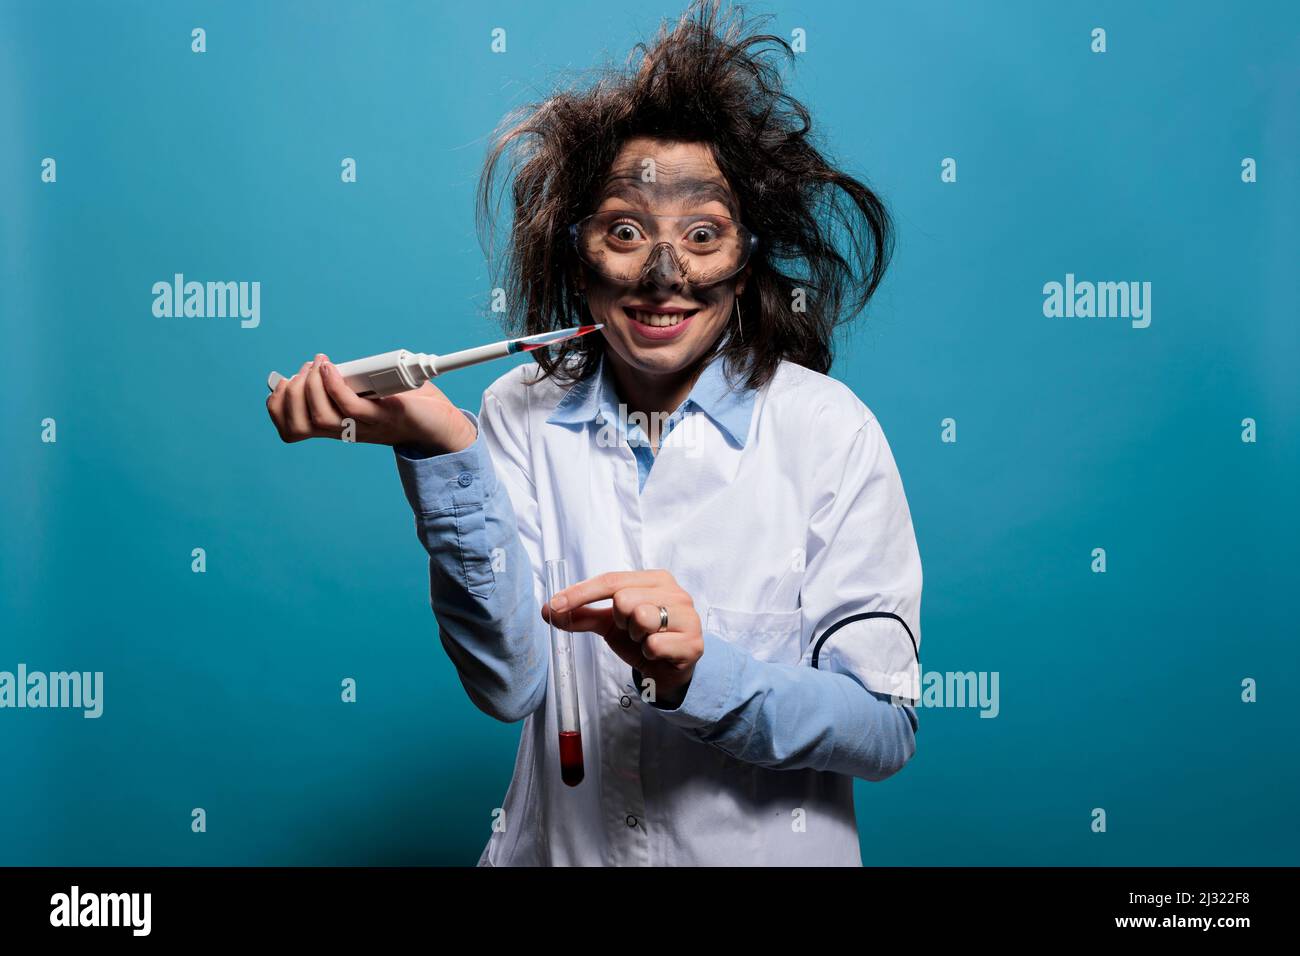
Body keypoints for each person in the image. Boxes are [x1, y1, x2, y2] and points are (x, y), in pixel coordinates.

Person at [266, 0, 922, 866]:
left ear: (746, 257)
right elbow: (509, 686)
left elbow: (882, 726)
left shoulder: (829, 432)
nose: (663, 277)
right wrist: (440, 449)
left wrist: (702, 675)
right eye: (624, 230)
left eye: (701, 233)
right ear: (577, 254)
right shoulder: (512, 411)